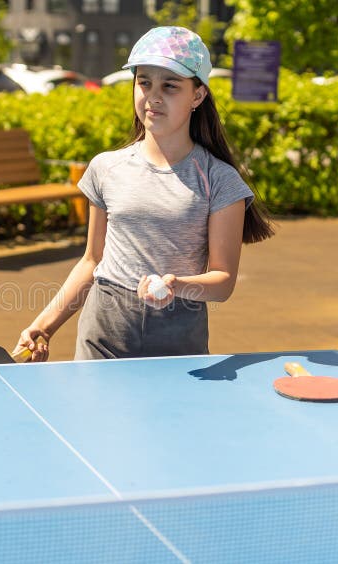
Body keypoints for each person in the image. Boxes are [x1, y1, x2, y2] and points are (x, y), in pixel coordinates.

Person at [14, 26, 274, 362]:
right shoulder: (105, 168)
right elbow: (92, 261)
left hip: (178, 344)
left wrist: (176, 286)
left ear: (197, 96)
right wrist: (45, 325)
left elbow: (223, 283)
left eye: (170, 85)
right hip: (103, 336)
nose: (153, 96)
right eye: (144, 82)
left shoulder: (220, 180)